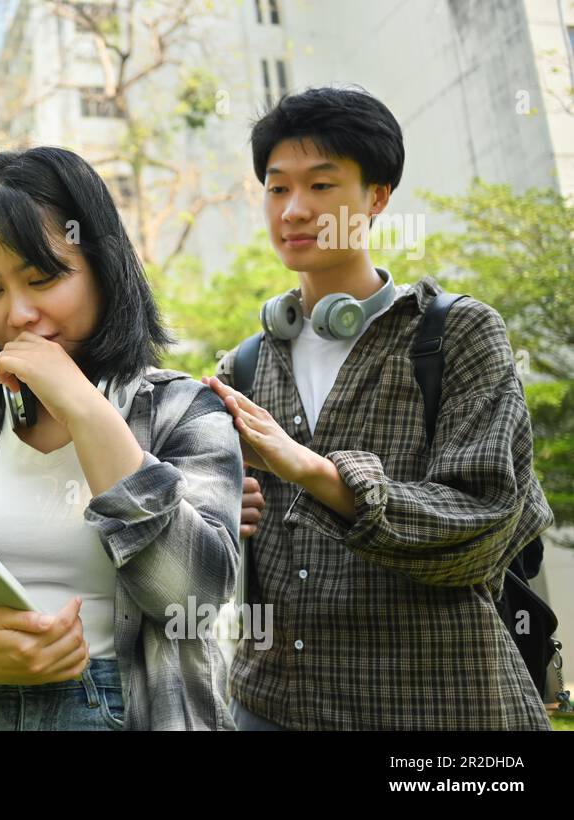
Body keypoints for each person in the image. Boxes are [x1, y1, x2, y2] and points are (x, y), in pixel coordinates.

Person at [0, 147, 243, 730]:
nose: (19, 313)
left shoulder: (185, 413)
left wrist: (84, 407)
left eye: (43, 277)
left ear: (105, 268)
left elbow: (195, 597)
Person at [206, 86, 553, 730]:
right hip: (272, 705)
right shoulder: (245, 366)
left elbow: (484, 525)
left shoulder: (458, 335)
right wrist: (227, 508)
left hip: (440, 710)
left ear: (378, 196)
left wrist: (314, 473)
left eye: (321, 185)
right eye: (277, 189)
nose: (295, 210)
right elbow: (204, 561)